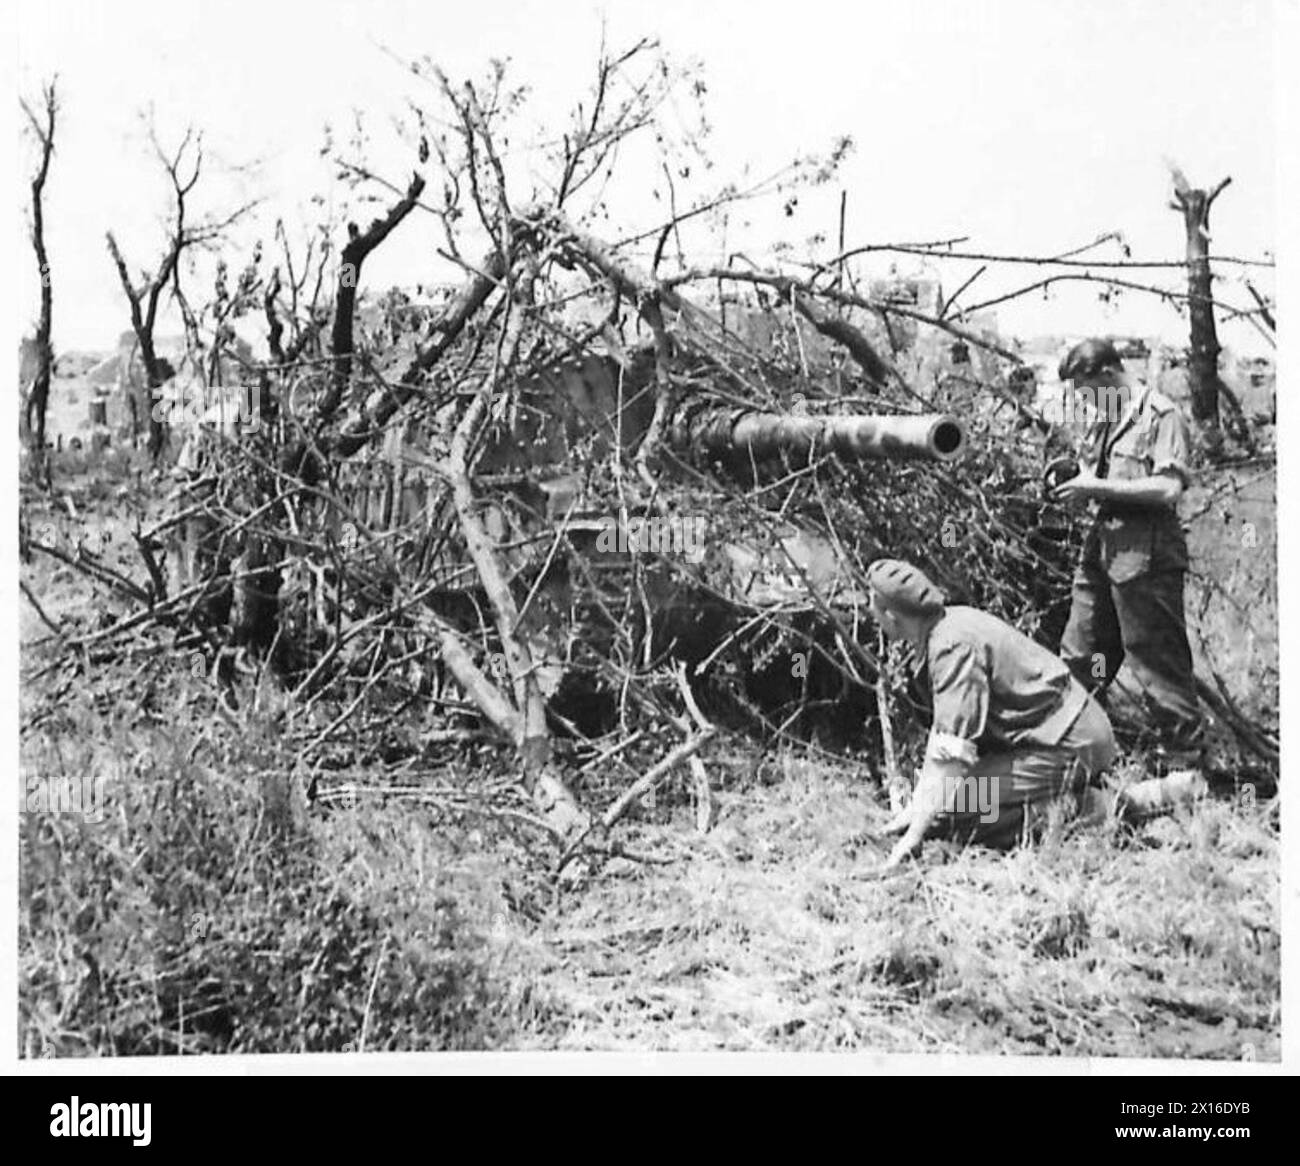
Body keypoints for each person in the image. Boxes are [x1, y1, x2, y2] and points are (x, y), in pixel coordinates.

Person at [867, 559, 1119, 870]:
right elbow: (944, 733)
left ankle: (1093, 809)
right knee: (948, 802)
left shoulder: (950, 648)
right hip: (1066, 733)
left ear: (891, 617)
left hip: (1070, 743)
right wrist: (917, 807)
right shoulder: (950, 624)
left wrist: (915, 834)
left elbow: (953, 755)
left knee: (957, 810)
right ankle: (1079, 798)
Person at [1050, 337, 1202, 770]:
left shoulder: (1161, 414)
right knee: (1084, 654)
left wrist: (1096, 488)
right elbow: (1097, 474)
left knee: (1156, 662)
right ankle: (1075, 745)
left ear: (1107, 374)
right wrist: (1075, 480)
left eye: (1086, 391)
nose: (1085, 401)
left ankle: (1184, 763)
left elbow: (1168, 487)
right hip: (1103, 550)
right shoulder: (1107, 417)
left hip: (1146, 557)